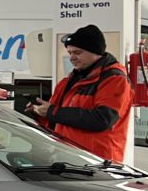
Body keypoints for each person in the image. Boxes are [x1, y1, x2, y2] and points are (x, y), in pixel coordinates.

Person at [29, 24, 132, 162]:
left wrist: (52, 112)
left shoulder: (115, 79)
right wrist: (38, 113)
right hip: (69, 158)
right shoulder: (68, 81)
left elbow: (102, 119)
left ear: (95, 52)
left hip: (98, 164)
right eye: (70, 53)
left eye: (77, 53)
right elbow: (57, 118)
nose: (72, 57)